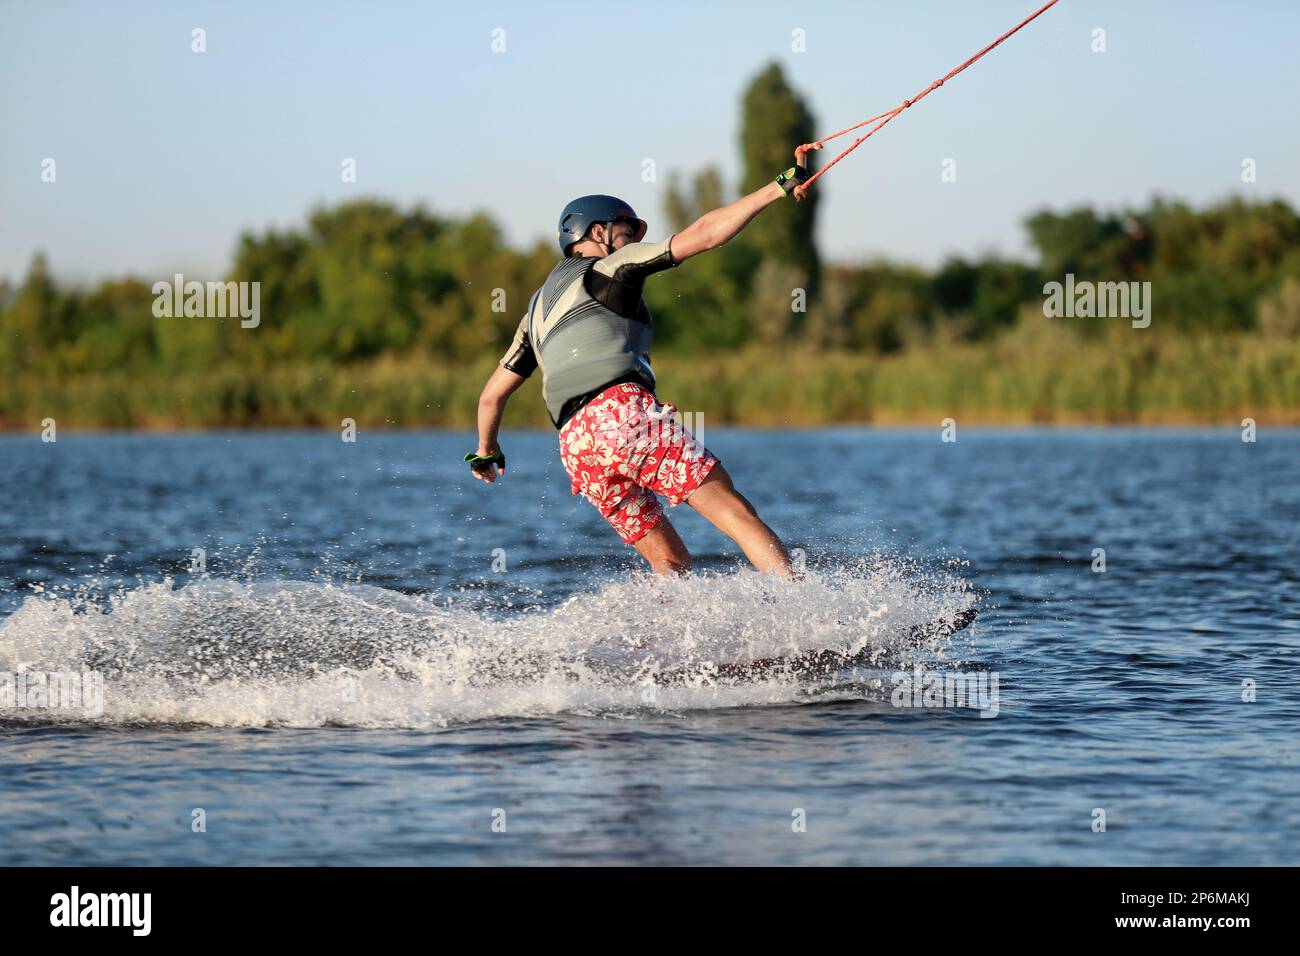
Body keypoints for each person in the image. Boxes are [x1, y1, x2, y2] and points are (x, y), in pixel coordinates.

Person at [466, 165, 811, 577]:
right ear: (598, 233)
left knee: (670, 562)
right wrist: (777, 187)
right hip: (622, 415)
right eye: (627, 233)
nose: (633, 242)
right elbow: (704, 233)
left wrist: (486, 451)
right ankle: (805, 611)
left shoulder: (535, 314)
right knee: (731, 509)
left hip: (578, 449)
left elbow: (491, 396)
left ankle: (659, 640)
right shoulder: (610, 268)